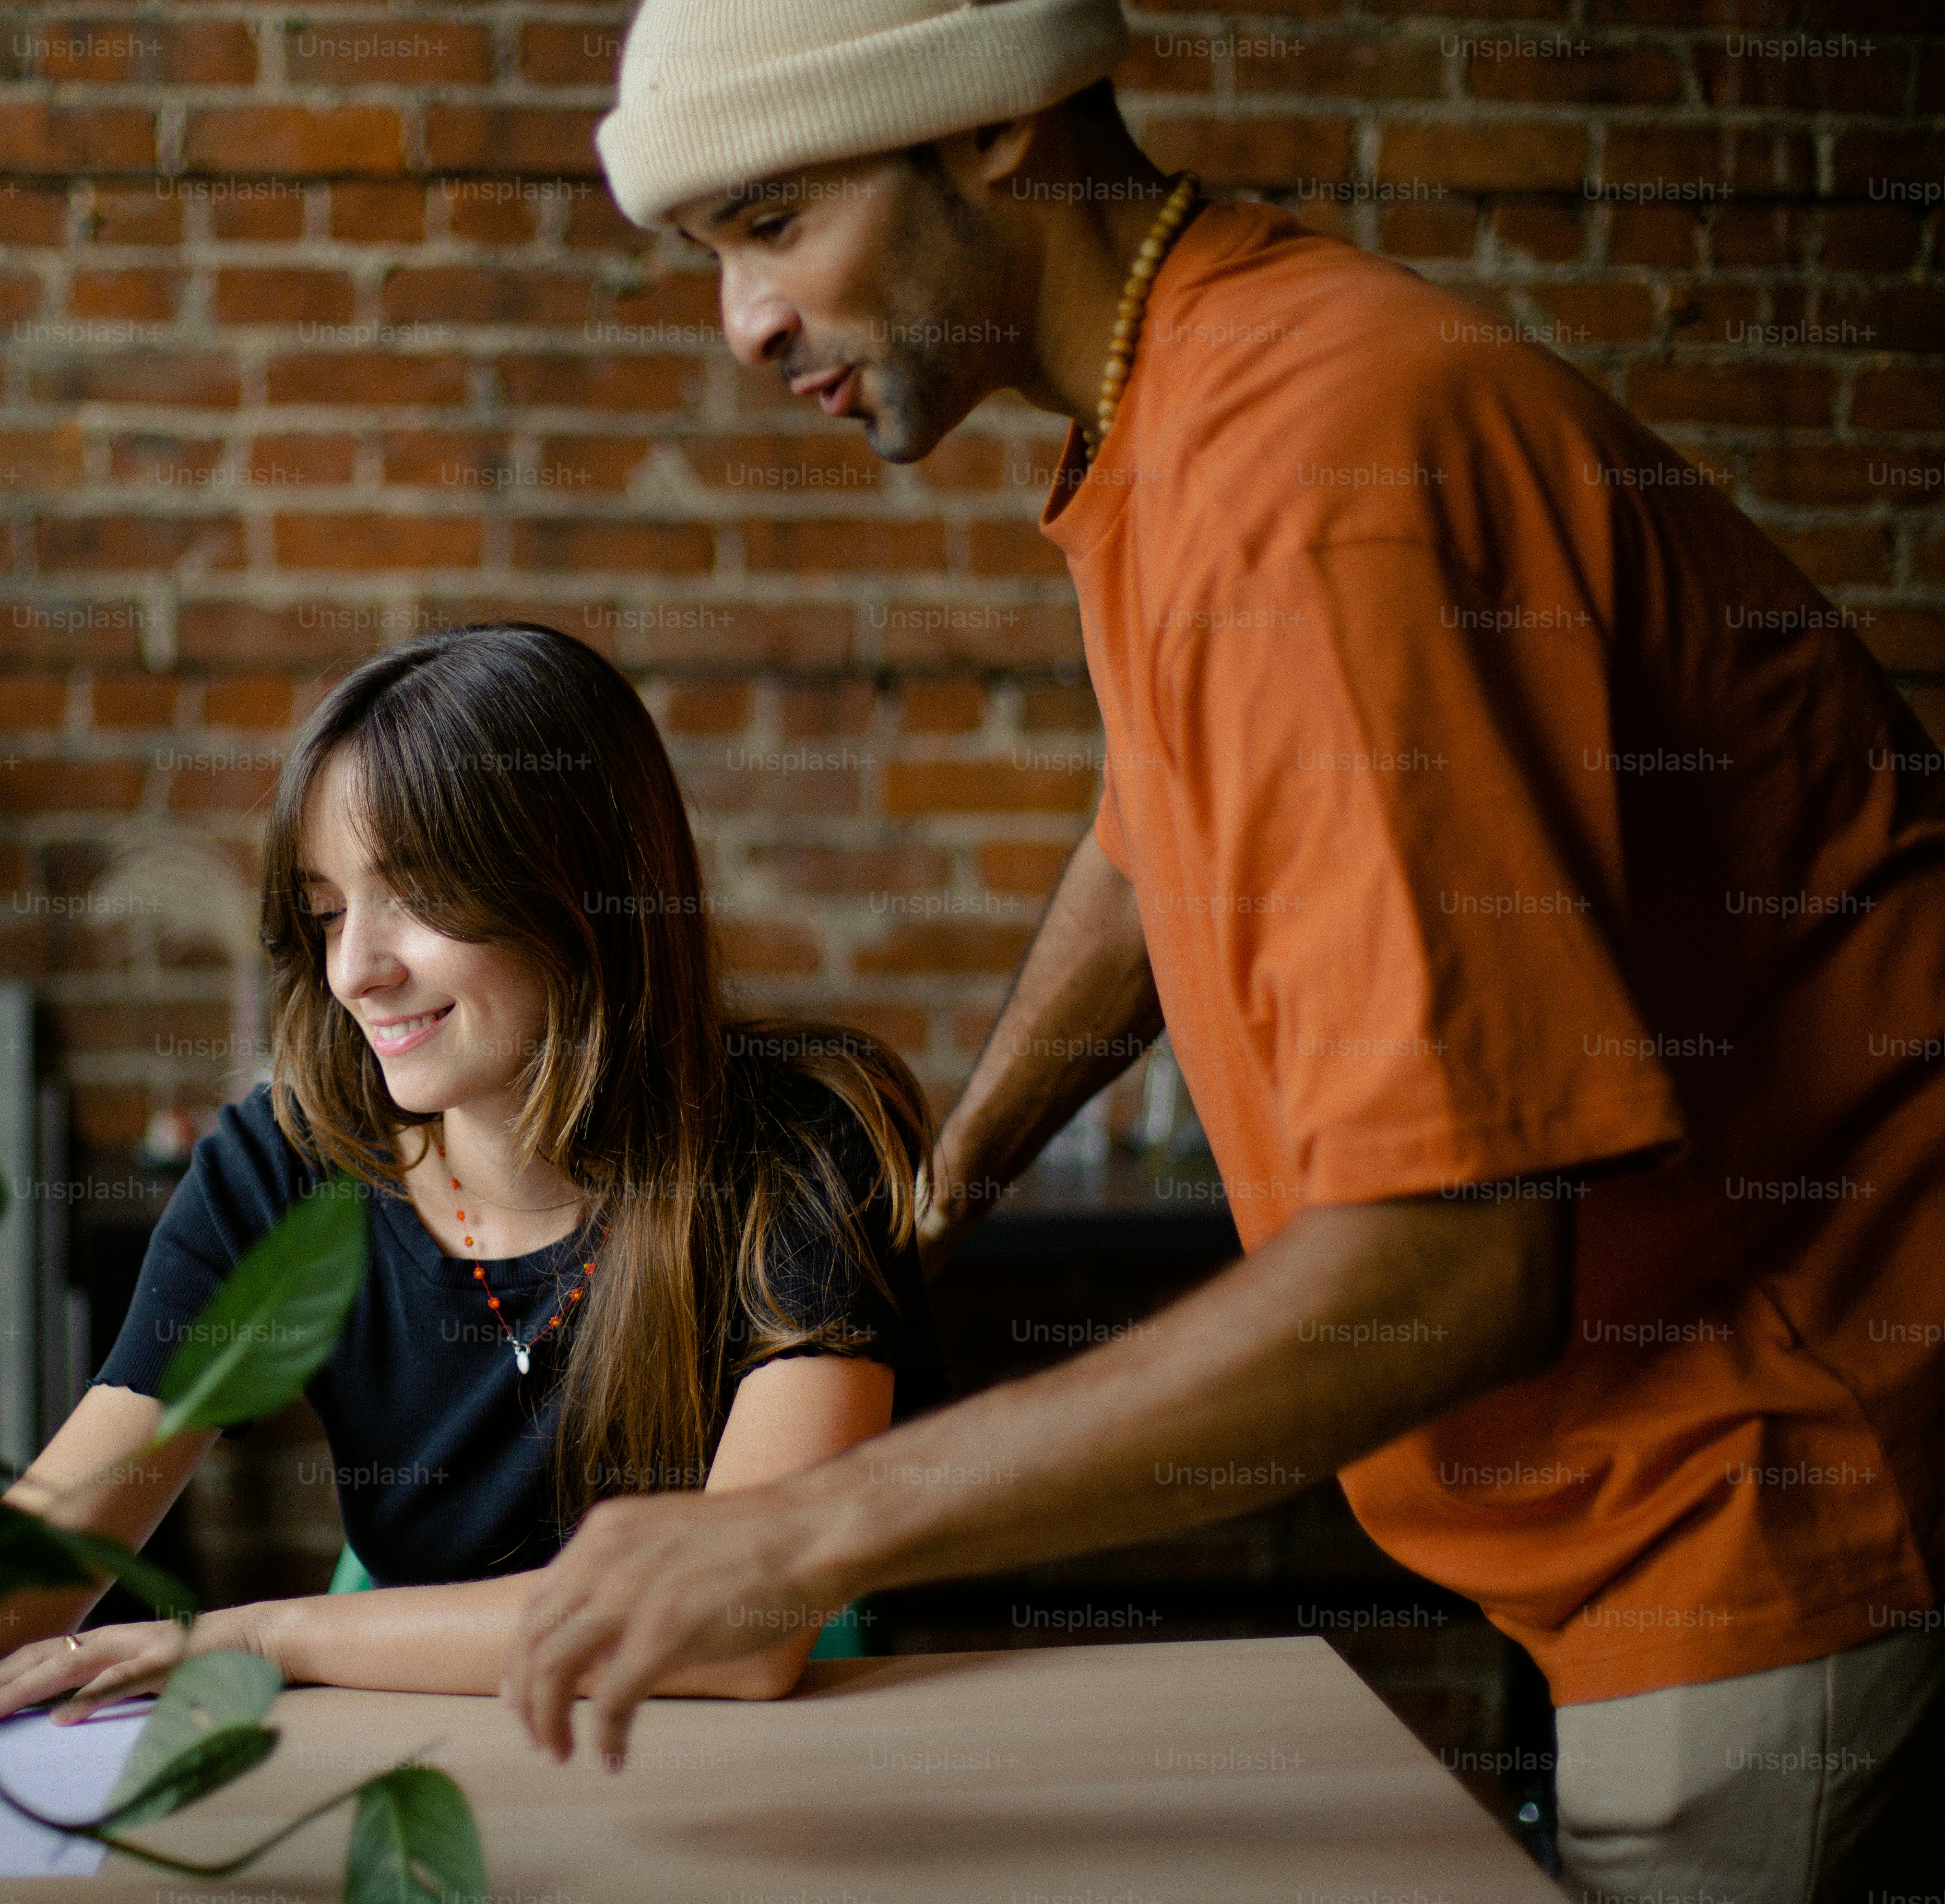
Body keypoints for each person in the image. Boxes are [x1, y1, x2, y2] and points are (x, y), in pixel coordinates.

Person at [496, 5, 1945, 1900]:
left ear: (1000, 126)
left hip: (1779, 1501)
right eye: (711, 256)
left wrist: (797, 1537)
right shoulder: (1195, 388)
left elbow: (1449, 1268)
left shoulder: (1309, 466)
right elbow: (1157, 809)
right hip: (1649, 1506)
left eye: (774, 221)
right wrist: (964, 1160)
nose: (744, 325)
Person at [0, 623, 943, 1738]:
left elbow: (732, 1627)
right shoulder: (284, 1170)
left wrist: (274, 1636)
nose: (357, 971)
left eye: (419, 899)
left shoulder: (803, 1147)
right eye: (327, 912)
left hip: (746, 1745)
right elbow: (29, 1569)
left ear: (588, 889)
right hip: (421, 1723)